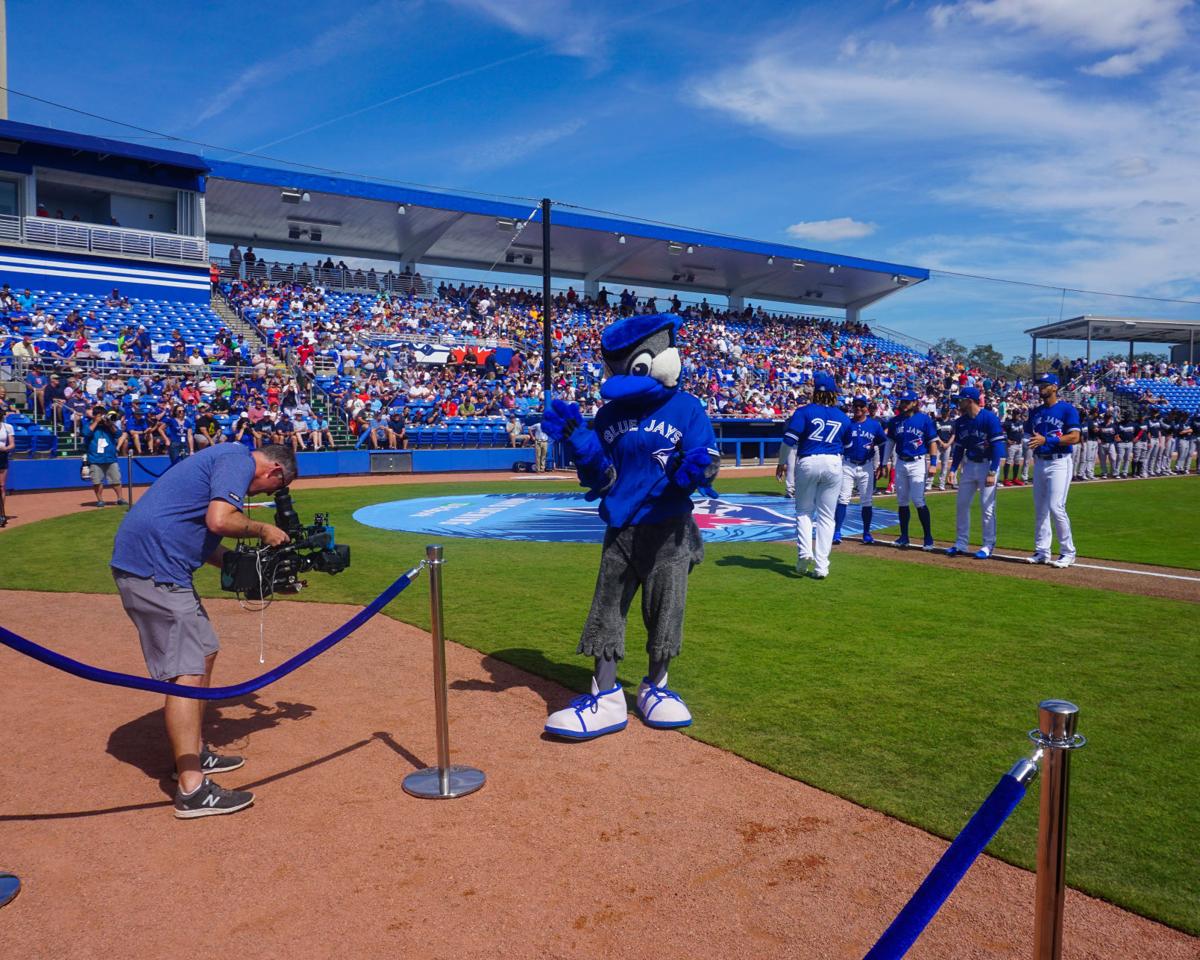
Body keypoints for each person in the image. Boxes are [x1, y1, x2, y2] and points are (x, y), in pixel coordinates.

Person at [541, 313, 718, 739]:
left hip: (670, 528)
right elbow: (600, 478)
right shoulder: (608, 415)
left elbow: (707, 462)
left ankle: (657, 686)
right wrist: (581, 443)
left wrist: (695, 470)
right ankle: (606, 696)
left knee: (665, 609)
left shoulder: (686, 407)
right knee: (607, 610)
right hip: (621, 528)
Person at [111, 443, 297, 818]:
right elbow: (218, 520)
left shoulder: (223, 459)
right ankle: (192, 789)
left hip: (162, 568)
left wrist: (234, 561)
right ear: (274, 470)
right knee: (188, 672)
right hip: (154, 571)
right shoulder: (237, 461)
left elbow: (198, 531)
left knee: (205, 649)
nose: (260, 494)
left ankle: (191, 751)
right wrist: (263, 529)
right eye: (272, 488)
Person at [775, 372, 850, 578]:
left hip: (809, 460)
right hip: (834, 461)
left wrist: (782, 463)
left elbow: (788, 441)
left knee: (804, 511)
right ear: (834, 394)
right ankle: (822, 566)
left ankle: (805, 553)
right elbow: (850, 445)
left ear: (815, 392)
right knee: (827, 517)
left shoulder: (804, 412)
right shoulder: (843, 416)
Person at [1024, 373, 1080, 568]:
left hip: (1059, 462)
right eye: (1039, 384)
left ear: (1055, 387)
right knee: (1040, 508)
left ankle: (1068, 552)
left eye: (1045, 385)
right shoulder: (1036, 412)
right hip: (1040, 461)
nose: (1041, 388)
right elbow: (1027, 434)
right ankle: (1042, 551)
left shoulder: (1067, 409)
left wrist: (1047, 440)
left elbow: (1074, 437)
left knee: (1056, 507)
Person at [944, 387, 1005, 560]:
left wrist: (993, 471)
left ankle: (988, 545)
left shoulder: (989, 418)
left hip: (987, 465)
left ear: (970, 400)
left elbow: (997, 447)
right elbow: (959, 448)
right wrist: (953, 468)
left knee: (987, 508)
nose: (958, 403)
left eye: (960, 400)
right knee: (962, 505)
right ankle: (961, 543)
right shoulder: (961, 421)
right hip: (970, 465)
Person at [884, 389, 937, 550]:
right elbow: (890, 442)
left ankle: (928, 538)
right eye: (902, 401)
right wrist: (884, 462)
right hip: (901, 461)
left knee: (918, 500)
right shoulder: (895, 421)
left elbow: (932, 441)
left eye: (907, 402)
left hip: (917, 462)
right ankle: (904, 536)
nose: (904, 404)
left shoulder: (924, 419)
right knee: (902, 501)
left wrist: (933, 462)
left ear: (915, 403)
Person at [832, 395, 885, 545]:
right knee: (843, 498)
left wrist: (882, 464)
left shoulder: (874, 425)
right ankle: (837, 532)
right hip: (848, 464)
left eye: (861, 406)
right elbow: (838, 442)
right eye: (856, 406)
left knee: (866, 500)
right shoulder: (847, 424)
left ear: (866, 409)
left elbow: (883, 443)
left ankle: (866, 533)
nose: (858, 409)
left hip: (866, 465)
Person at [83, 406, 127, 508]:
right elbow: (86, 433)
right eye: (100, 415)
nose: (102, 417)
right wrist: (96, 422)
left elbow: (118, 434)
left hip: (110, 458)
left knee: (116, 479)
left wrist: (110, 424)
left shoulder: (109, 426)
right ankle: (100, 500)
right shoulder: (89, 425)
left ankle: (120, 498)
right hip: (95, 458)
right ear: (95, 416)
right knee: (97, 481)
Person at [1001, 410, 1025, 486]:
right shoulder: (1008, 423)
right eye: (1015, 414)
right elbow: (1000, 431)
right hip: (1012, 445)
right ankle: (1005, 479)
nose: (1016, 415)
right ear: (1013, 414)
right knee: (1008, 461)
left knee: (1017, 462)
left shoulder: (1020, 422)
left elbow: (1022, 431)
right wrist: (1006, 439)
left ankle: (1015, 478)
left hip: (1019, 444)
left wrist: (1021, 438)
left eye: (1018, 414)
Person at [0, 405, 13, 527]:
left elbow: (12, 445)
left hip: (2, 456)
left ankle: (1, 513)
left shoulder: (7, 427)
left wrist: (5, 448)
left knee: (2, 486)